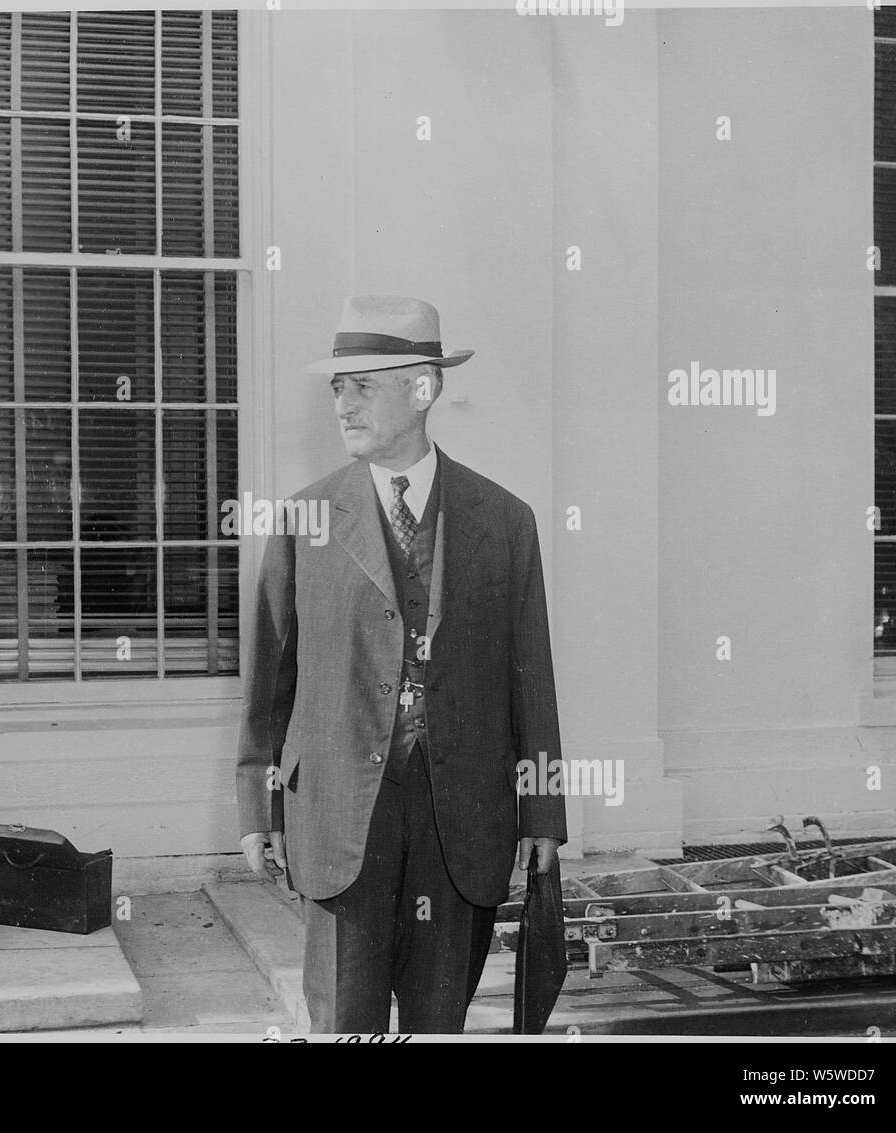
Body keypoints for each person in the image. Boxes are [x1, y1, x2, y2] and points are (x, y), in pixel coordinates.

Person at [236, 294, 566, 1034]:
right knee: (346, 1023)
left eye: (363, 385)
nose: (342, 405)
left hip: (464, 825)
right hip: (341, 820)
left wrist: (542, 809)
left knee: (438, 1021)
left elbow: (531, 678)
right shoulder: (302, 521)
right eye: (335, 387)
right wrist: (260, 806)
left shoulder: (505, 522)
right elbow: (269, 684)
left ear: (423, 388)